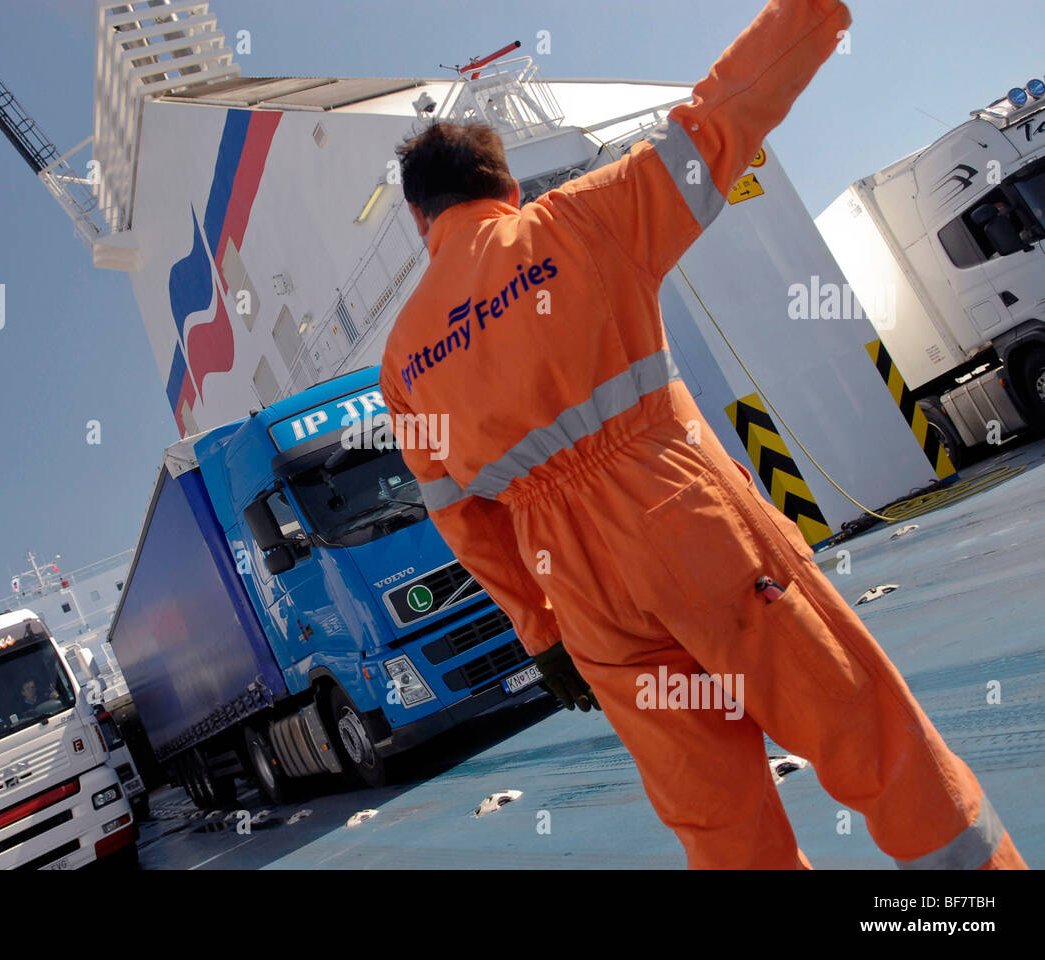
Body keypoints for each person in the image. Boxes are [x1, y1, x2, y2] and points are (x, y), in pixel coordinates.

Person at [378, 0, 1027, 869]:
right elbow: (719, 120)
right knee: (867, 736)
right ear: (506, 187)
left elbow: (461, 517)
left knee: (717, 822)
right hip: (683, 523)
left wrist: (542, 633)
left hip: (577, 594)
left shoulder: (405, 358)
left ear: (422, 222)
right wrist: (814, 14)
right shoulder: (579, 221)